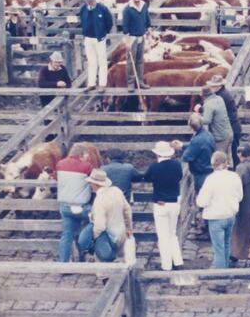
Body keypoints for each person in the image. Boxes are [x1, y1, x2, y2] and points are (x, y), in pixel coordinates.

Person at [196, 150, 243, 268]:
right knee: (227, 244)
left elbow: (202, 202)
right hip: (230, 215)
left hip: (216, 217)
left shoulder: (211, 179)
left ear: (213, 164)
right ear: (226, 162)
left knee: (218, 248)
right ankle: (225, 268)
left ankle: (220, 277)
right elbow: (240, 196)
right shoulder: (234, 176)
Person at [142, 140, 184, 271]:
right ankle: (178, 261)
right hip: (174, 203)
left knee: (163, 236)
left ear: (157, 154)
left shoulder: (154, 167)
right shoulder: (177, 165)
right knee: (172, 234)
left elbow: (147, 178)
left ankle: (166, 265)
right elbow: (180, 177)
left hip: (160, 204)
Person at [77, 169, 132, 263]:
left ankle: (104, 277)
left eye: (91, 183)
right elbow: (127, 210)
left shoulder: (99, 200)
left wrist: (93, 239)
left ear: (95, 184)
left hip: (107, 237)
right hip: (121, 233)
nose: (90, 185)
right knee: (120, 261)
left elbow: (100, 225)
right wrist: (128, 228)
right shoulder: (116, 191)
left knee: (103, 265)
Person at [53, 148, 94, 263]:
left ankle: (63, 263)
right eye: (86, 154)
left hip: (65, 206)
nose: (88, 157)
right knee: (97, 223)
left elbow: (55, 177)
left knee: (66, 235)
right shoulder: (86, 166)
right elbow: (94, 179)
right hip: (82, 207)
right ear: (81, 155)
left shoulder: (60, 164)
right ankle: (89, 250)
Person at [78, 0, 114, 88]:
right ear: (86, 1)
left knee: (102, 61)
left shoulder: (102, 8)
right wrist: (85, 31)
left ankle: (102, 84)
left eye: (92, 1)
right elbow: (81, 19)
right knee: (91, 62)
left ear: (95, 0)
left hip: (99, 38)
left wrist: (104, 32)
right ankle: (91, 83)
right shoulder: (83, 8)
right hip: (88, 38)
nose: (90, 3)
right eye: (88, 1)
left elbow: (109, 21)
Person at [119, 0, 150, 87]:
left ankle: (140, 81)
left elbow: (147, 19)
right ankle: (130, 83)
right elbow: (125, 26)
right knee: (131, 61)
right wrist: (127, 41)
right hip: (132, 38)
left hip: (142, 36)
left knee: (140, 60)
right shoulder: (127, 9)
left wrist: (149, 29)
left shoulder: (144, 6)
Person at [200, 77, 234, 156]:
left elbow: (207, 120)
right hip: (228, 132)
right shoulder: (219, 98)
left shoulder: (209, 104)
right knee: (227, 158)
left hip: (220, 136)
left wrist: (197, 118)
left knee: (219, 158)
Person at [180, 113, 216, 185]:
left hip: (200, 175)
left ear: (190, 126)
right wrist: (183, 145)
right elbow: (198, 147)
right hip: (210, 170)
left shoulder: (196, 140)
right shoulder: (209, 134)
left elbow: (186, 157)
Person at [217, 81, 242, 165]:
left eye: (214, 86)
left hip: (231, 127)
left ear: (219, 86)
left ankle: (237, 169)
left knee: (235, 153)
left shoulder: (221, 96)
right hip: (234, 126)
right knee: (234, 152)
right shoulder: (224, 94)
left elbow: (217, 109)